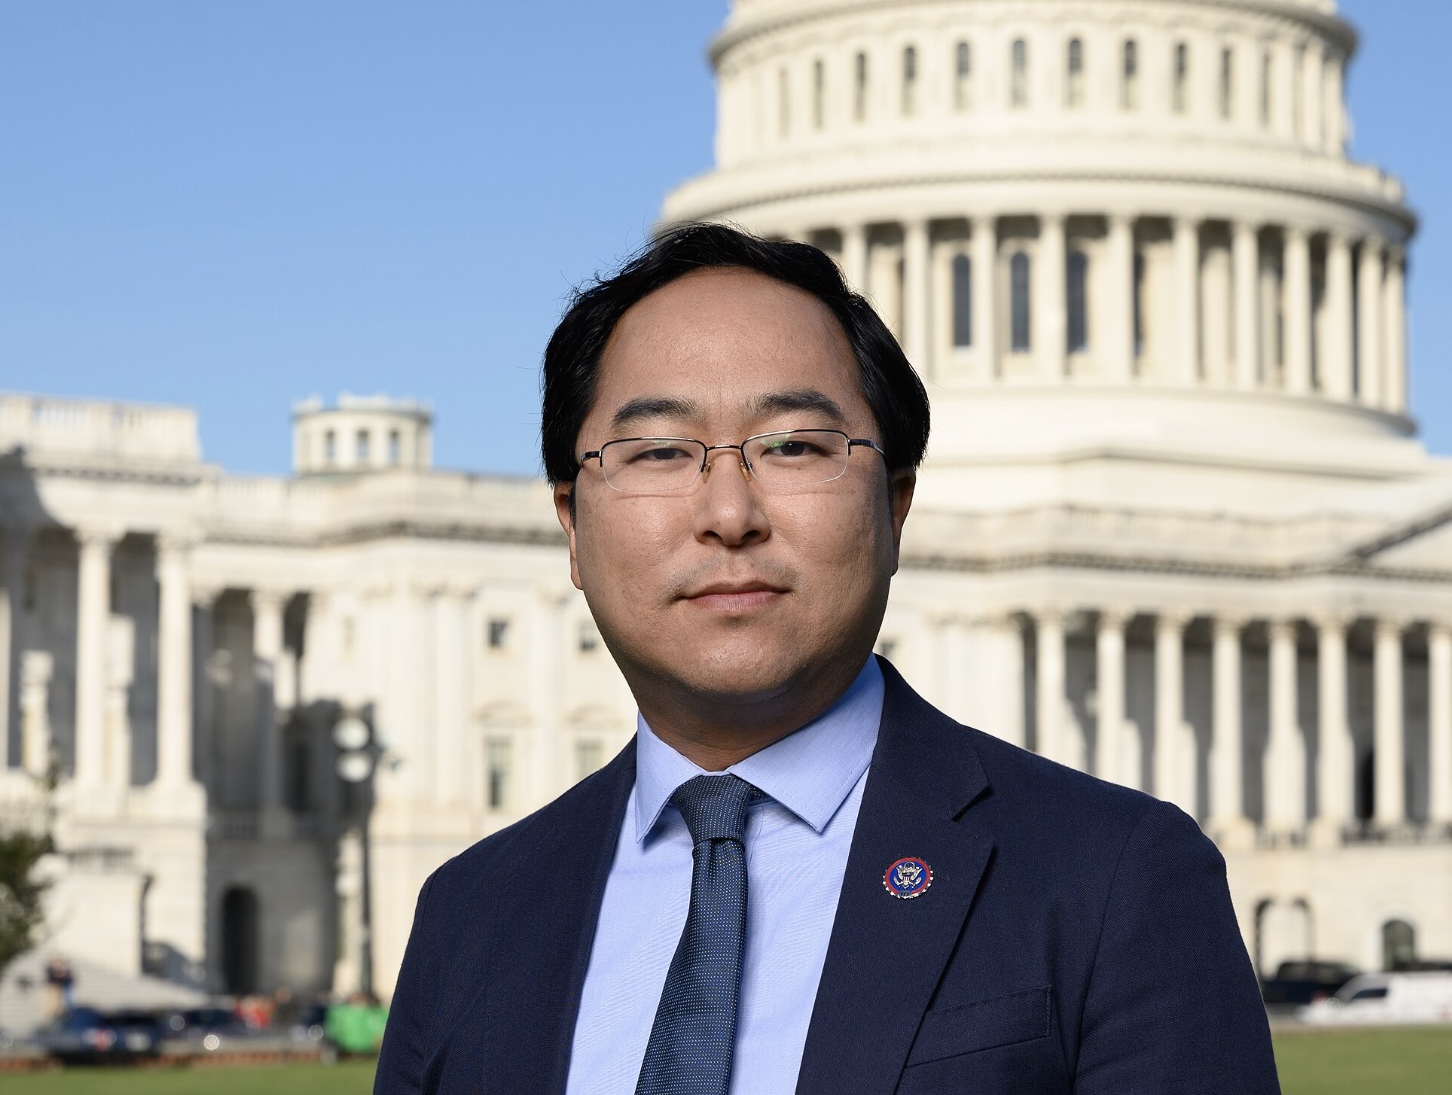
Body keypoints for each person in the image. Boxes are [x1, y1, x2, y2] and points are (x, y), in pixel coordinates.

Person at [374, 224, 1280, 1094]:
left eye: (794, 447)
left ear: (895, 506)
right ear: (572, 526)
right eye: (658, 451)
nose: (729, 514)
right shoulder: (471, 914)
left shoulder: (1113, 880)